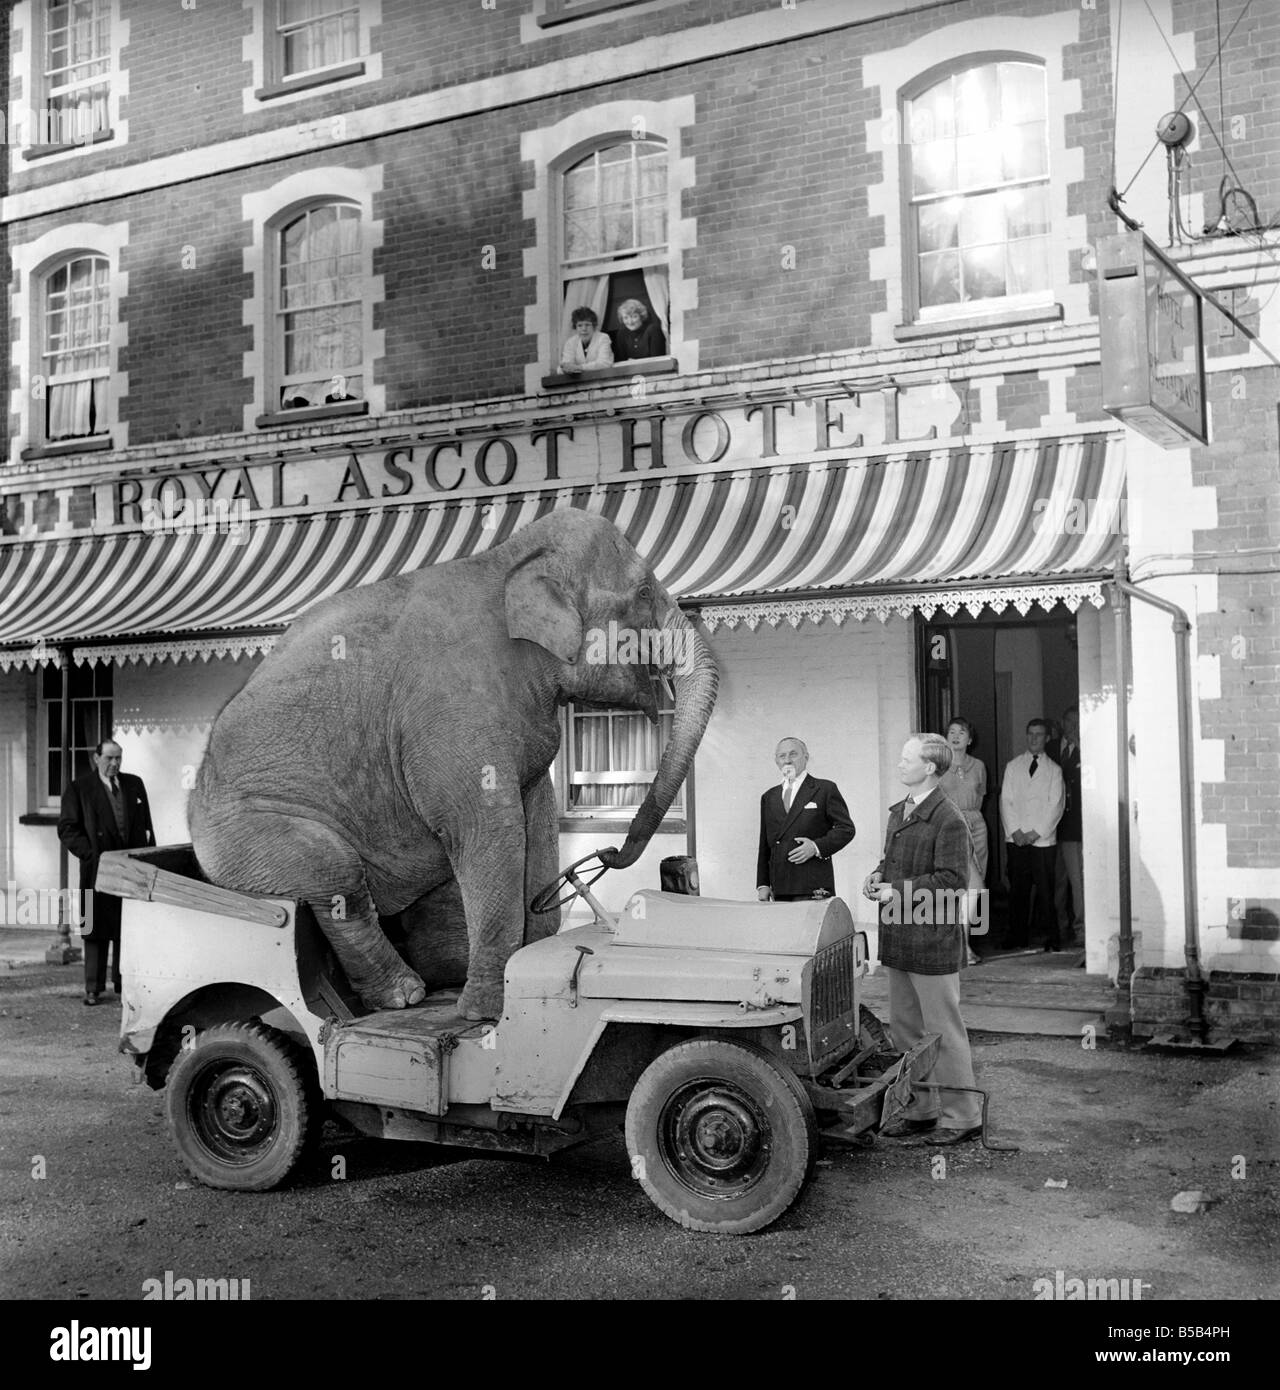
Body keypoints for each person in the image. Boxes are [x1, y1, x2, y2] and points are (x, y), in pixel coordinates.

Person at [862, 733, 983, 1144]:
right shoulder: (901, 811)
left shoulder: (949, 818)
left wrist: (897, 890)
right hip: (900, 938)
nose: (899, 764)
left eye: (906, 758)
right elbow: (891, 860)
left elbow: (953, 880)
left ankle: (963, 1117)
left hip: (932, 940)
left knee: (943, 1032)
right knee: (906, 1031)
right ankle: (922, 1109)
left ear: (929, 767)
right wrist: (878, 876)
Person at [58, 738, 155, 1005]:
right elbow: (67, 828)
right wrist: (91, 855)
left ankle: (124, 983)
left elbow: (147, 825)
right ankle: (93, 987)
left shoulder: (134, 784)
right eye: (109, 758)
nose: (114, 764)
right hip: (97, 869)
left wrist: (149, 859)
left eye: (118, 758)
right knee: (95, 928)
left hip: (131, 867)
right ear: (96, 758)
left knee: (128, 927)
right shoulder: (80, 789)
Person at [756, 737, 854, 901]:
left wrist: (816, 847)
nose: (787, 760)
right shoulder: (769, 796)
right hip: (779, 886)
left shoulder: (824, 789)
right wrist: (763, 884)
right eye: (782, 756)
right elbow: (765, 844)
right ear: (776, 761)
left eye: (793, 754)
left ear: (806, 757)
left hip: (813, 885)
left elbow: (846, 829)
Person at [999, 718, 1065, 951]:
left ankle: (1051, 938)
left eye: (1039, 734)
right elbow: (1006, 800)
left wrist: (1035, 833)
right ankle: (1016, 936)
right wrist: (1016, 831)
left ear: (1047, 738)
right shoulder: (1013, 766)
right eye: (1030, 734)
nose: (1034, 738)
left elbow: (1055, 805)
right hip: (1016, 839)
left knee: (1046, 892)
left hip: (1042, 840)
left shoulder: (1054, 770)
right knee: (1018, 890)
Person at [938, 716, 988, 967]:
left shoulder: (978, 765)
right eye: (951, 732)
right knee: (963, 886)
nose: (956, 736)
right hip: (952, 828)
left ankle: (964, 944)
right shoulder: (937, 765)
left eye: (962, 732)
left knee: (974, 890)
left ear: (970, 739)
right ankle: (960, 947)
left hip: (976, 827)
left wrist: (971, 819)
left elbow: (980, 798)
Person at [1052, 705, 1085, 947]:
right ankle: (1058, 927)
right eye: (1069, 722)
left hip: (1073, 827)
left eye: (1077, 722)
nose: (1072, 727)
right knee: (1056, 882)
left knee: (1077, 882)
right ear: (1062, 723)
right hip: (1048, 828)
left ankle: (1081, 929)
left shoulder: (1087, 750)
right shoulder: (1050, 748)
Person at [558, 306, 613, 373]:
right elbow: (567, 364)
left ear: (594, 326)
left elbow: (604, 363)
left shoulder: (603, 338)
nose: (584, 329)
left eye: (587, 325)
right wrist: (565, 368)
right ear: (575, 327)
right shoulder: (570, 342)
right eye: (580, 325)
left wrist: (579, 367)